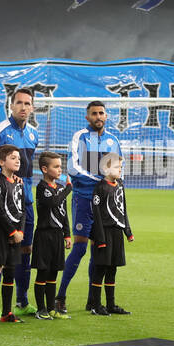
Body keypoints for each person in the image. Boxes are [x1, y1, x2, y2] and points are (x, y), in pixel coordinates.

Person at [57, 100, 122, 314]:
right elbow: (72, 168)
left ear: (106, 116)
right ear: (87, 117)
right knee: (80, 247)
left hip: (104, 204)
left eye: (101, 113)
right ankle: (61, 296)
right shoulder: (80, 137)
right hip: (84, 199)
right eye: (94, 113)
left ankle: (92, 301)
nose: (98, 117)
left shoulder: (113, 140)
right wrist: (97, 180)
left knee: (99, 250)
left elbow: (117, 169)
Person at [0, 88, 39, 316]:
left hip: (26, 203)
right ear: (11, 106)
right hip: (5, 202)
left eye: (27, 103)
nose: (23, 107)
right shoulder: (0, 131)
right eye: (18, 103)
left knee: (25, 249)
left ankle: (21, 299)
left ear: (32, 107)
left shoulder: (33, 133)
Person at [87, 152, 134, 317]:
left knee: (113, 269)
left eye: (120, 167)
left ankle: (111, 304)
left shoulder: (120, 184)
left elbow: (123, 208)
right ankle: (96, 305)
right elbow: (97, 214)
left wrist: (127, 231)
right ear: (106, 168)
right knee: (100, 269)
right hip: (103, 233)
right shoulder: (100, 188)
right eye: (116, 167)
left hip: (116, 233)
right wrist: (99, 238)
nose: (120, 170)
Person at [0, 144, 26, 324]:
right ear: (2, 162)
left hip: (17, 234)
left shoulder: (18, 183)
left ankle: (7, 313)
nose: (17, 160)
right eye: (12, 158)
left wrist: (21, 231)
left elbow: (22, 209)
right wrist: (11, 231)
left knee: (10, 271)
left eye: (18, 158)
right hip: (1, 233)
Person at [31, 151, 72, 320]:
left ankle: (51, 308)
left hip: (57, 235)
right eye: (56, 167)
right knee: (43, 272)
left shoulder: (60, 188)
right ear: (44, 169)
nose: (59, 170)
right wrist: (69, 189)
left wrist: (67, 234)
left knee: (54, 272)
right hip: (44, 235)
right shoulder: (42, 188)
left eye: (60, 166)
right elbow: (54, 202)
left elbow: (63, 213)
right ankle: (41, 309)